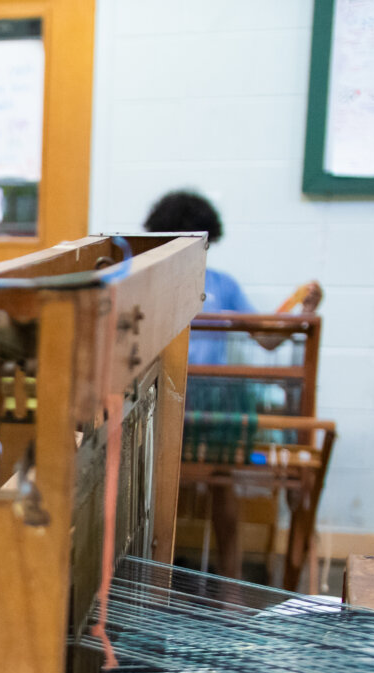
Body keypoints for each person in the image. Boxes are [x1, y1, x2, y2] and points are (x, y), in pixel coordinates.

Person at [144, 189, 320, 578]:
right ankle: (152, 576)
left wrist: (304, 312)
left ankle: (231, 584)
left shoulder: (222, 285)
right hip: (163, 399)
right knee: (151, 486)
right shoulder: (150, 285)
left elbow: (266, 339)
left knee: (223, 484)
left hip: (211, 406)